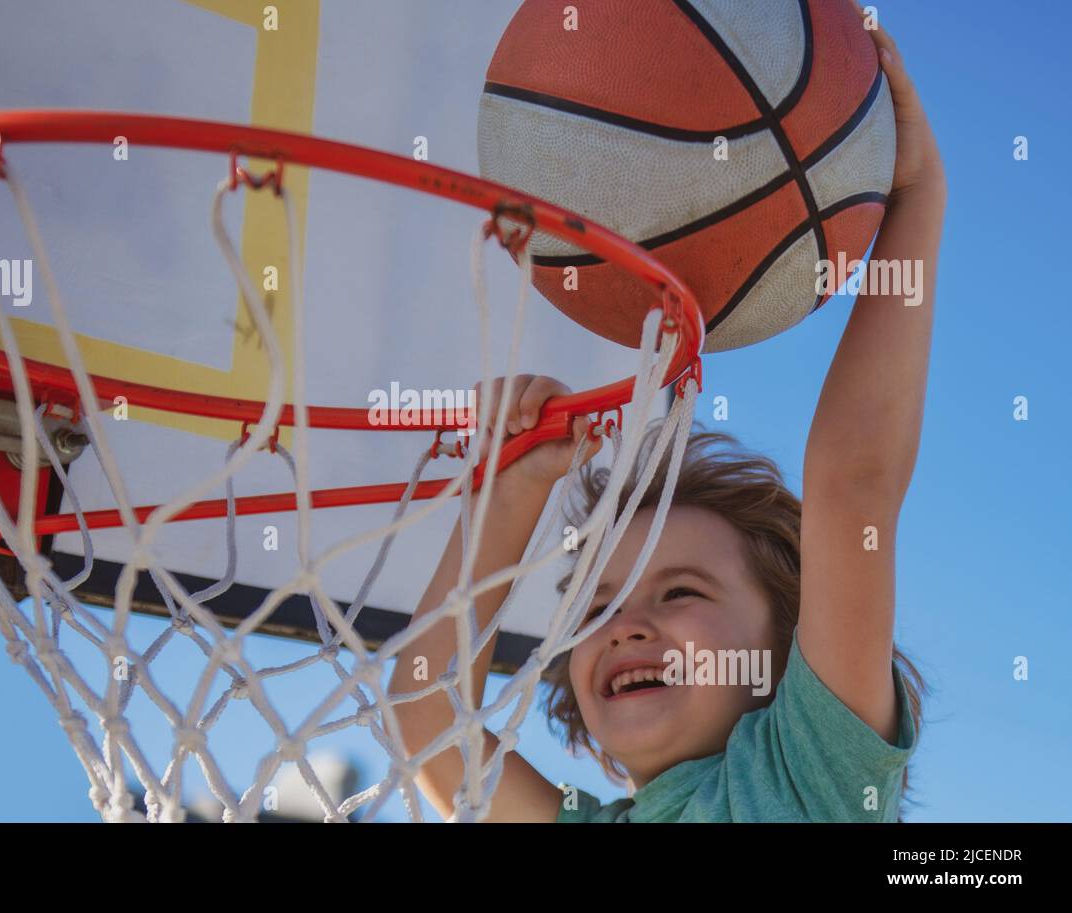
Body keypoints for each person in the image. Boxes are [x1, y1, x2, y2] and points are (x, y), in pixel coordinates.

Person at [387, 12, 944, 822]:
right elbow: (427, 724)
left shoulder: (810, 777)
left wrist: (919, 199)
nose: (626, 627)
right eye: (599, 608)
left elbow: (853, 487)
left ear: (787, 654)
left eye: (681, 591)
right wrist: (508, 500)